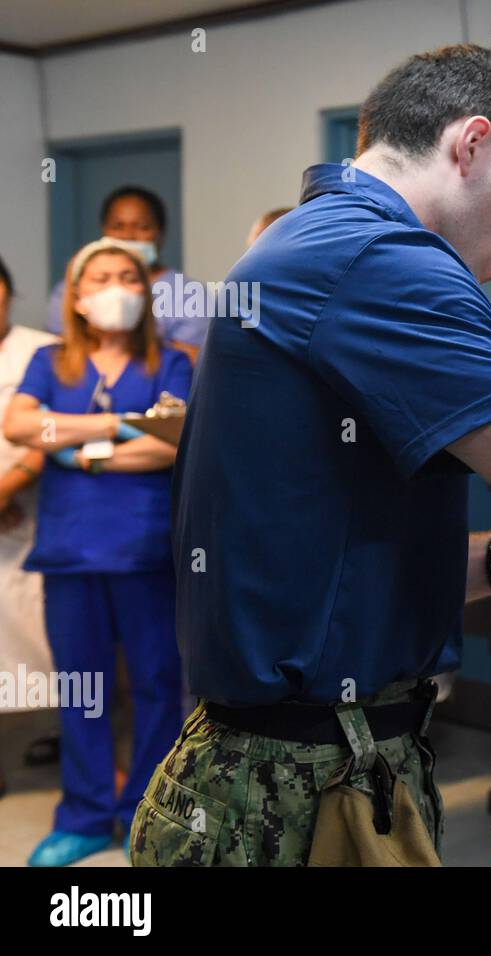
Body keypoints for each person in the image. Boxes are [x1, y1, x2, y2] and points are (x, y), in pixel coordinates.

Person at [129, 45, 491, 867]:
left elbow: (341, 560)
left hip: (310, 763)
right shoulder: (381, 260)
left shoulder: (323, 244)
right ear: (470, 145)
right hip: (296, 789)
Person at [3, 239, 192, 866]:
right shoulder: (50, 362)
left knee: (158, 686)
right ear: (78, 299)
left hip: (143, 551)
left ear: (147, 292)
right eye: (102, 277)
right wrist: (121, 425)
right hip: (69, 553)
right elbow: (21, 426)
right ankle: (84, 816)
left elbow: (170, 445)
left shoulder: (171, 362)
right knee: (83, 688)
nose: (116, 287)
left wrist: (79, 447)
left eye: (128, 276)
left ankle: (149, 812)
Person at [0, 257, 60, 800]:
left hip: (30, 519)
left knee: (46, 651)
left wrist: (10, 486)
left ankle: (70, 745)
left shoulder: (40, 349)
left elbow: (51, 428)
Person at [47, 186, 206, 363]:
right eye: (118, 226)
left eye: (142, 227)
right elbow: (63, 352)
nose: (128, 236)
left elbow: (196, 361)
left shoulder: (188, 293)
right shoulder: (66, 290)